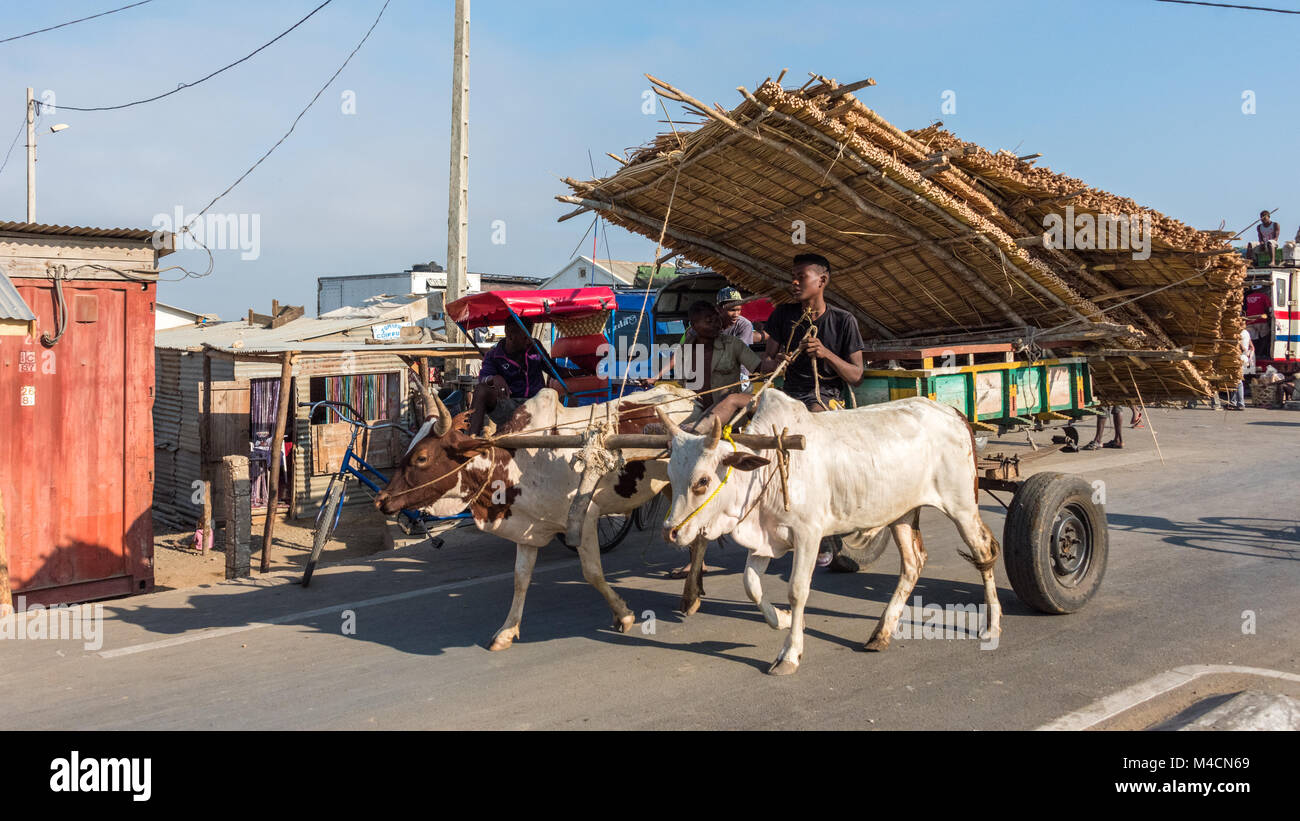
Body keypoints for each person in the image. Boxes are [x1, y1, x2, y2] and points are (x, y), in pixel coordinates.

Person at [760, 253, 866, 571]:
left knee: (812, 425)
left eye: (800, 276)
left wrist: (826, 354)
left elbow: (856, 375)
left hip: (826, 398)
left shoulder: (843, 321)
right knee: (741, 414)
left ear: (822, 280)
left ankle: (824, 531)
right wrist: (779, 361)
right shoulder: (783, 315)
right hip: (786, 399)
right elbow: (766, 363)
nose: (793, 282)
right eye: (791, 276)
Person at [468, 319, 567, 433]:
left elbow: (554, 370)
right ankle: (471, 438)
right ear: (510, 336)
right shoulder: (494, 355)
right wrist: (493, 379)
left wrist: (581, 372)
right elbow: (483, 378)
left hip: (536, 405)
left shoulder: (535, 347)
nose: (529, 341)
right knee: (481, 390)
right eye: (525, 338)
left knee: (550, 393)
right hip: (509, 405)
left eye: (529, 336)